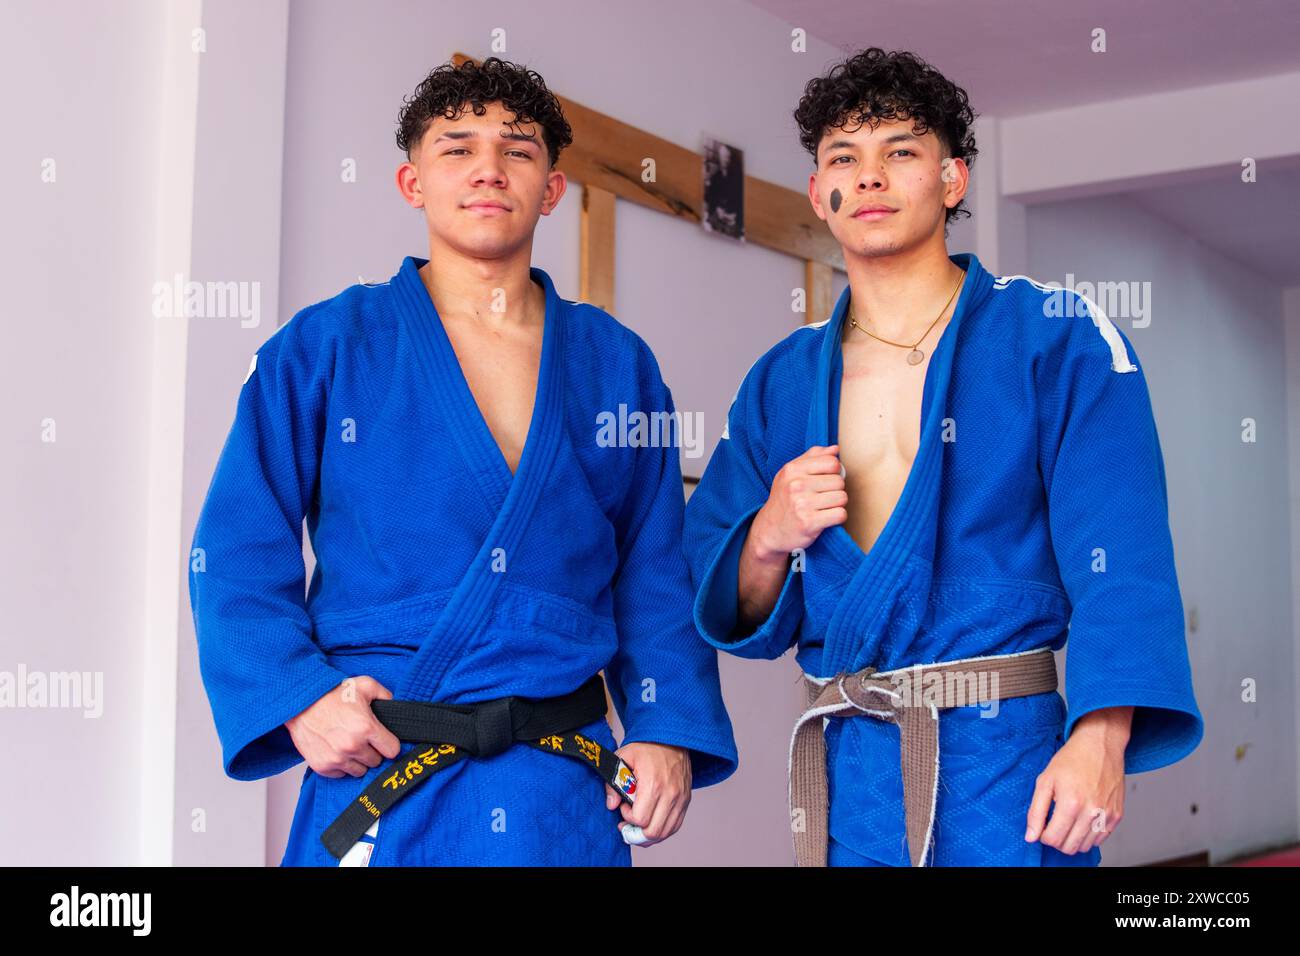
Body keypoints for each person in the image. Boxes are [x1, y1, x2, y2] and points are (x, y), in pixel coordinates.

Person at [189, 56, 736, 866]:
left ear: (552, 189)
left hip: (558, 782)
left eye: (518, 150)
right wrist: (298, 696)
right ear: (413, 184)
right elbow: (235, 548)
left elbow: (654, 568)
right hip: (388, 764)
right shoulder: (326, 346)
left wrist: (664, 726)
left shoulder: (616, 365)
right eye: (457, 148)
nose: (488, 168)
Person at [682, 48, 1202, 866]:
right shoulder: (781, 382)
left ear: (952, 180)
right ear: (821, 196)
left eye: (902, 152)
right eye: (845, 159)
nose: (873, 177)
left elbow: (1123, 556)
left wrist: (1100, 738)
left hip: (1010, 769)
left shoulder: (1056, 338)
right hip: (851, 772)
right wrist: (768, 533)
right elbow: (723, 597)